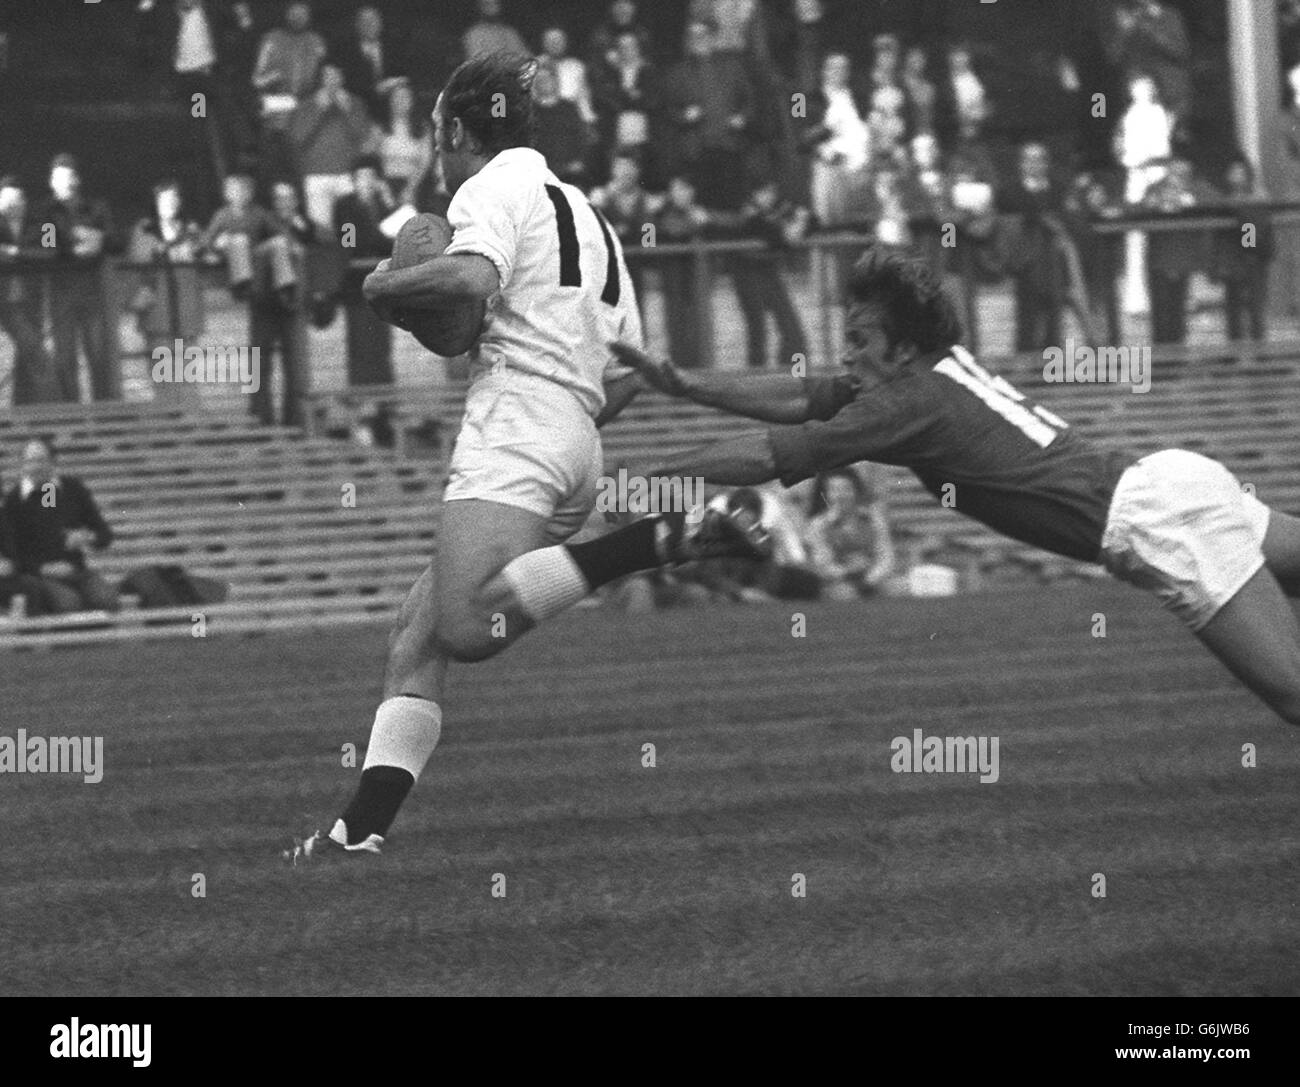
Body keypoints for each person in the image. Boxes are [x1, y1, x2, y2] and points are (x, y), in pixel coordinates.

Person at [296, 52, 764, 860]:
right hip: (578, 438)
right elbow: (627, 373)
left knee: (467, 624)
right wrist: (566, 415)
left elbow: (473, 276)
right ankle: (357, 834)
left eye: (440, 132)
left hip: (516, 423)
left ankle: (657, 539)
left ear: (451, 129)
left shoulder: (490, 188)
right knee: (418, 636)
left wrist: (380, 290)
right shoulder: (590, 216)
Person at [613, 248, 1300, 729]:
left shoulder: (905, 400)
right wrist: (685, 384)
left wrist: (658, 473)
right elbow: (805, 394)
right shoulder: (932, 370)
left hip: (1160, 525)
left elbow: (772, 450)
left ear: (902, 345)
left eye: (858, 337)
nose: (847, 352)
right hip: (1174, 481)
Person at [33, 154, 119, 402]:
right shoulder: (46, 212)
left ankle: (106, 420)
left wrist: (99, 240)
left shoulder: (96, 208)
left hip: (94, 293)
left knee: (100, 358)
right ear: (50, 182)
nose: (62, 183)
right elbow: (47, 246)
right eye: (57, 178)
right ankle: (73, 418)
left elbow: (115, 242)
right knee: (65, 360)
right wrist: (74, 247)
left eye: (67, 177)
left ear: (76, 180)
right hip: (61, 295)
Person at [0, 438, 118, 615]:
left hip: (76, 570)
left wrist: (87, 537)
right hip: (41, 575)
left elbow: (104, 535)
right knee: (69, 604)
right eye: (29, 461)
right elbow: (14, 551)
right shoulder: (14, 500)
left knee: (108, 599)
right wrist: (43, 569)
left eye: (40, 460)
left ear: (53, 462)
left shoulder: (73, 489)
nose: (34, 467)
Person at [127, 179, 207, 407]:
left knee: (188, 378)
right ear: (155, 203)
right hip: (157, 314)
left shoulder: (191, 229)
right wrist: (166, 252)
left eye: (174, 199)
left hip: (186, 314)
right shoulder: (144, 229)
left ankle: (191, 429)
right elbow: (139, 259)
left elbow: (205, 254)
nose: (169, 204)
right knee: (163, 379)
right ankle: (168, 430)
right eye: (164, 199)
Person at [332, 156, 395, 386]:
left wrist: (388, 202)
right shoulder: (344, 205)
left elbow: (396, 238)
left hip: (382, 282)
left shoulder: (385, 204)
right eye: (361, 177)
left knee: (382, 342)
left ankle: (385, 400)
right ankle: (360, 394)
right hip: (355, 281)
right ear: (354, 180)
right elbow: (349, 241)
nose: (366, 182)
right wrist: (377, 237)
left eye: (371, 177)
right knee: (359, 341)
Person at [0, 176, 58, 404]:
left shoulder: (43, 223)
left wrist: (14, 252)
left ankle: (23, 414)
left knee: (26, 359)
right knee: (37, 355)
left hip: (32, 299)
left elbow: (50, 251)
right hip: (6, 302)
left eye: (17, 199)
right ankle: (53, 415)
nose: (13, 205)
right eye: (7, 200)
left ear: (25, 200)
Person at [803, 468, 895, 600]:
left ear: (856, 491)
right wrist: (849, 572)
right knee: (845, 594)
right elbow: (823, 564)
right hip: (838, 583)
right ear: (825, 494)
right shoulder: (818, 525)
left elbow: (886, 556)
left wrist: (870, 579)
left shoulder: (873, 519)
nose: (841, 496)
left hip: (873, 578)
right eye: (834, 490)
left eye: (846, 489)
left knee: (898, 589)